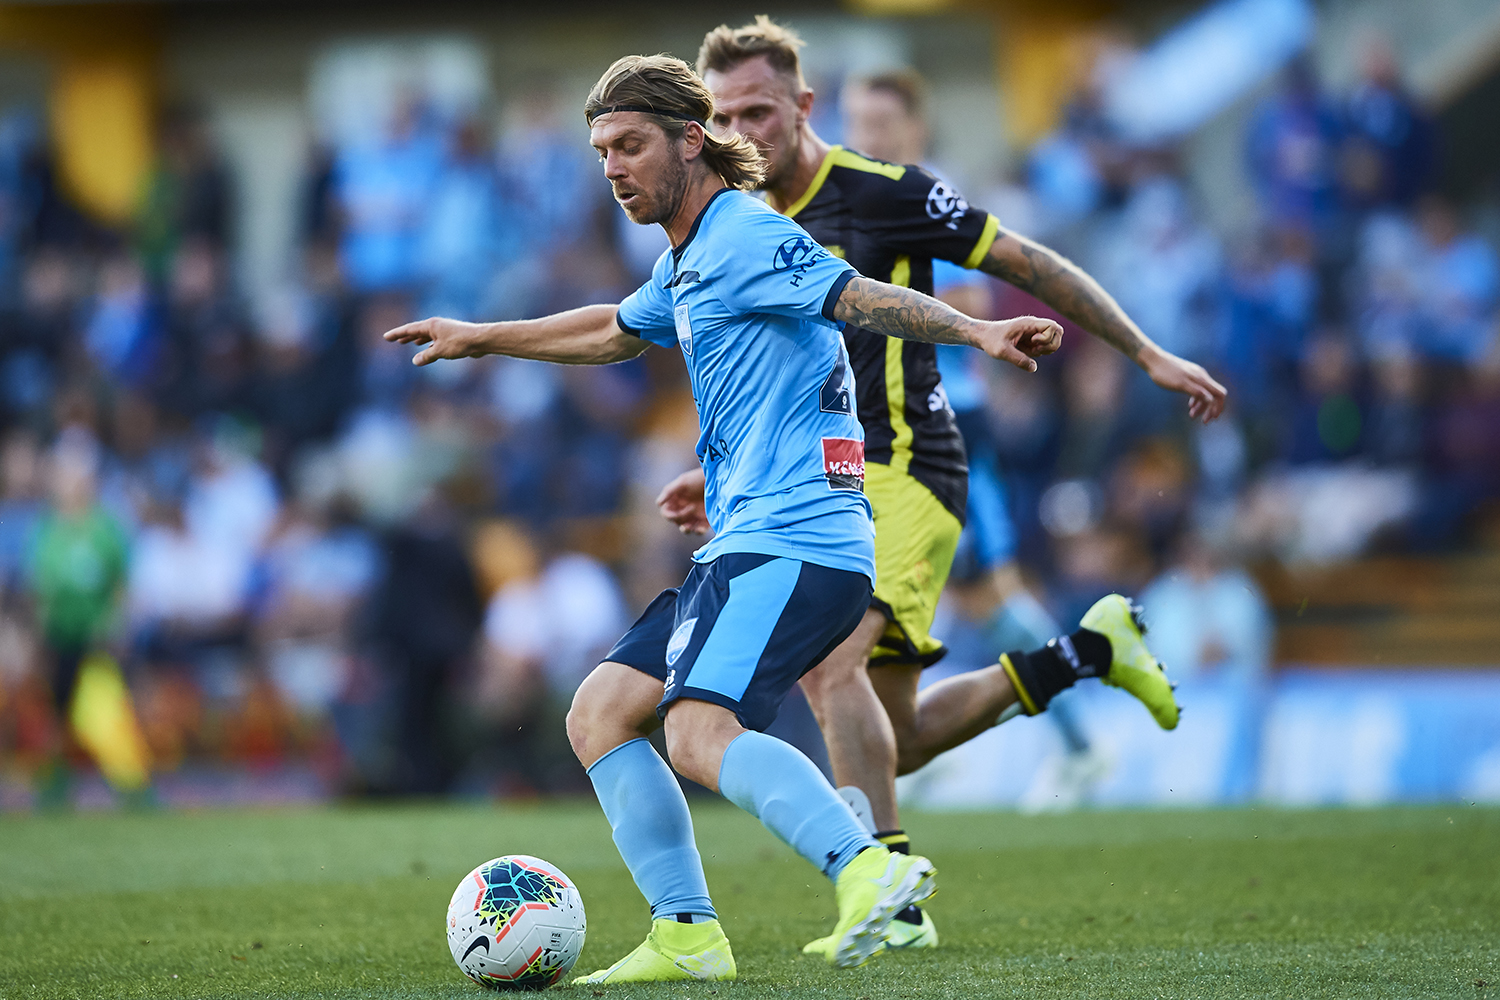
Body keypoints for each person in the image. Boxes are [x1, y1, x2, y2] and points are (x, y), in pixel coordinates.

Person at [385, 53, 1077, 982]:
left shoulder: (746, 233)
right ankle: (687, 933)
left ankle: (869, 868)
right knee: (600, 713)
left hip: (800, 542)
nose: (614, 168)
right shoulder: (688, 255)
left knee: (697, 730)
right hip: (749, 540)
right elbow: (614, 331)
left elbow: (858, 295)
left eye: (630, 145)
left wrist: (980, 331)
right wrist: (482, 336)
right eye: (600, 153)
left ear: (691, 139)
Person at [658, 17, 1223, 953]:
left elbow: (1027, 264)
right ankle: (1087, 653)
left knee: (828, 664)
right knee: (896, 732)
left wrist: (1147, 353)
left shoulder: (885, 195)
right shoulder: (730, 224)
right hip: (813, 478)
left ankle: (894, 905)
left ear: (803, 105)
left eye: (759, 109)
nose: (742, 132)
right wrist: (713, 470)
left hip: (908, 465)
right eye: (723, 117)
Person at [845, 70, 1110, 813]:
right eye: (857, 122)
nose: (869, 136)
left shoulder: (926, 198)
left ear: (914, 130)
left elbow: (974, 300)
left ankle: (1083, 743)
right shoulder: (856, 202)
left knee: (988, 593)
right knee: (928, 593)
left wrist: (869, 298)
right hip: (891, 429)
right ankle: (910, 744)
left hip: (947, 424)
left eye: (882, 123)